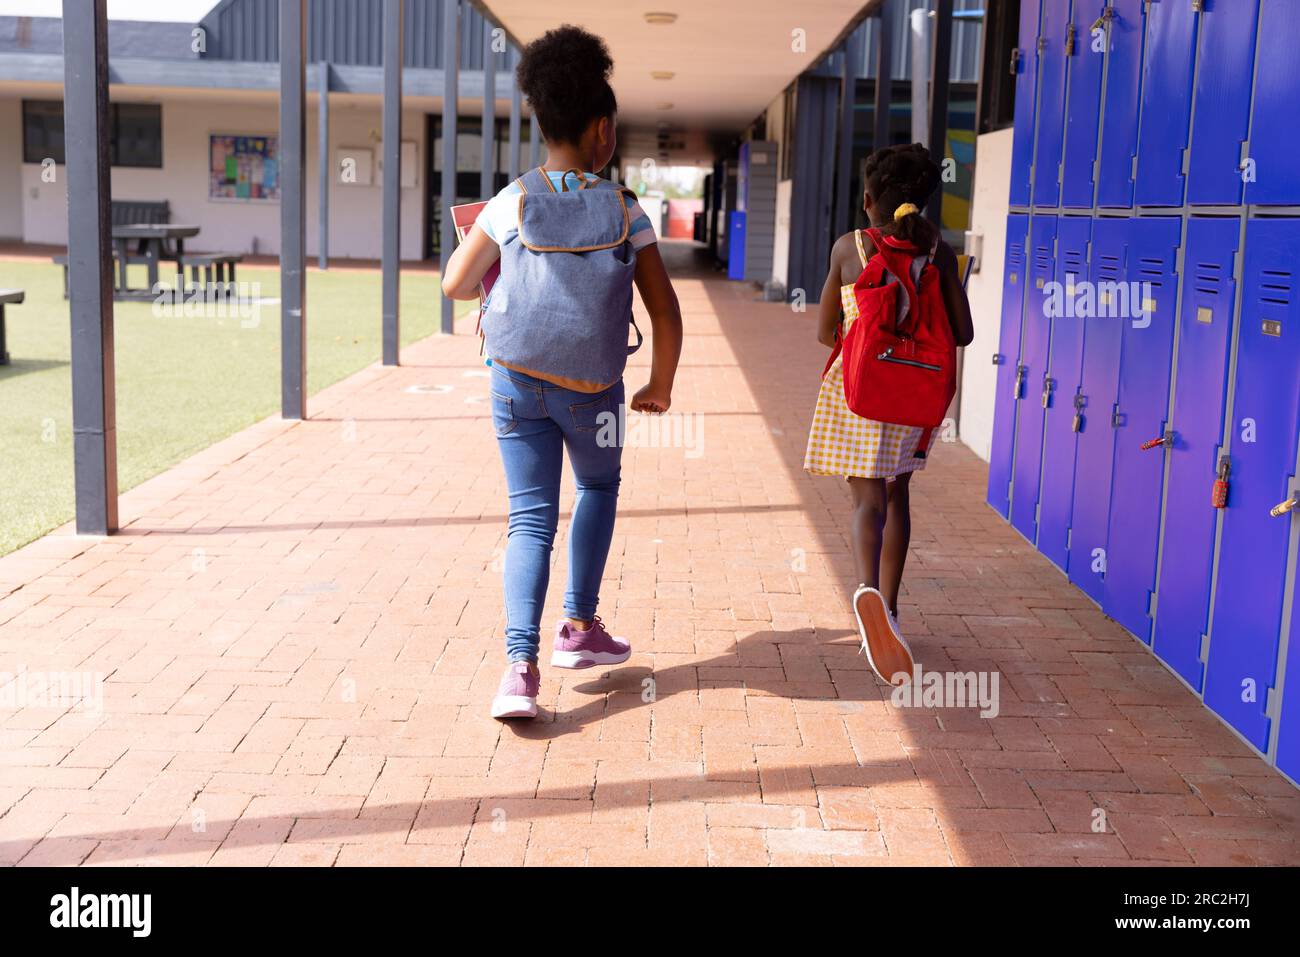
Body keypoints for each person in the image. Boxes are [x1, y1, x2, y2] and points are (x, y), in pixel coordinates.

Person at [442, 24, 684, 720]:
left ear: (541, 121)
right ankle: (578, 627)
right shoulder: (626, 208)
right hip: (594, 393)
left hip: (516, 383)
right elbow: (664, 311)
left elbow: (457, 285)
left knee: (529, 519)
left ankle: (518, 671)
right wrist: (659, 384)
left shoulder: (512, 200)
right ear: (603, 130)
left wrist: (494, 262)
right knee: (599, 487)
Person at [804, 143, 974, 684]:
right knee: (896, 493)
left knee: (866, 499)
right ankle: (891, 612)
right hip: (913, 395)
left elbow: (823, 330)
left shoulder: (847, 248)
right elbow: (963, 332)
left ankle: (864, 591)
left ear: (868, 198)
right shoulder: (939, 252)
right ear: (923, 202)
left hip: (859, 391)